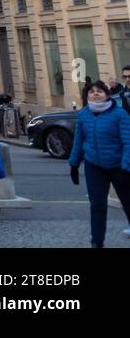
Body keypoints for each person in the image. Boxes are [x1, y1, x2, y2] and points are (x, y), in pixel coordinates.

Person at [68, 79, 130, 248]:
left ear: (106, 94)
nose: (95, 94)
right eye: (91, 91)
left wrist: (127, 166)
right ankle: (97, 242)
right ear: (87, 95)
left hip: (118, 166)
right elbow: (79, 141)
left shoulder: (119, 114)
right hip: (94, 166)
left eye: (99, 91)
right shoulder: (83, 115)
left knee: (128, 203)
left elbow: (128, 142)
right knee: (97, 205)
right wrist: (74, 164)